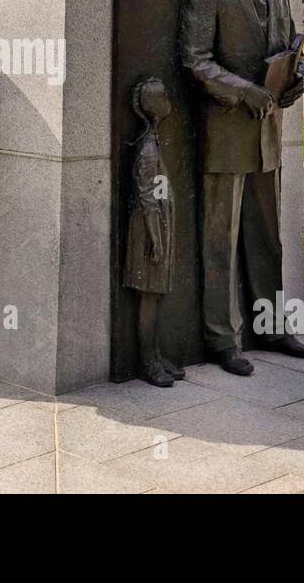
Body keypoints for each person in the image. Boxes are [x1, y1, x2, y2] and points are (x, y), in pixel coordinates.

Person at [178, 0, 304, 377]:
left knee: (267, 236)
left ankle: (272, 325)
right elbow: (195, 61)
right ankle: (221, 338)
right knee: (221, 238)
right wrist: (244, 92)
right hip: (227, 131)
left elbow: (289, 44)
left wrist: (297, 78)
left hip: (268, 133)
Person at [124, 77, 184, 387]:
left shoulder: (154, 139)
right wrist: (156, 240)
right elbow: (147, 196)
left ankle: (157, 353)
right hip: (149, 230)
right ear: (154, 106)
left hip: (159, 223)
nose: (168, 99)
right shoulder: (147, 149)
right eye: (163, 96)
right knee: (148, 297)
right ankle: (147, 361)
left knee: (156, 294)